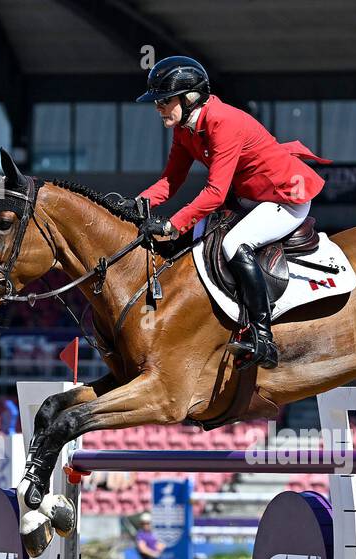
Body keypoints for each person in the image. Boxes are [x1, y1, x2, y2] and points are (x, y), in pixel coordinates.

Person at [130, 56, 331, 371]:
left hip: (284, 196)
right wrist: (137, 203)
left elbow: (214, 194)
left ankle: (262, 338)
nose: (158, 108)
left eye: (164, 101)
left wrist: (172, 225)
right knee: (198, 240)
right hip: (248, 197)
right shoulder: (184, 129)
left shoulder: (224, 121)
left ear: (190, 98)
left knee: (232, 244)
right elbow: (171, 180)